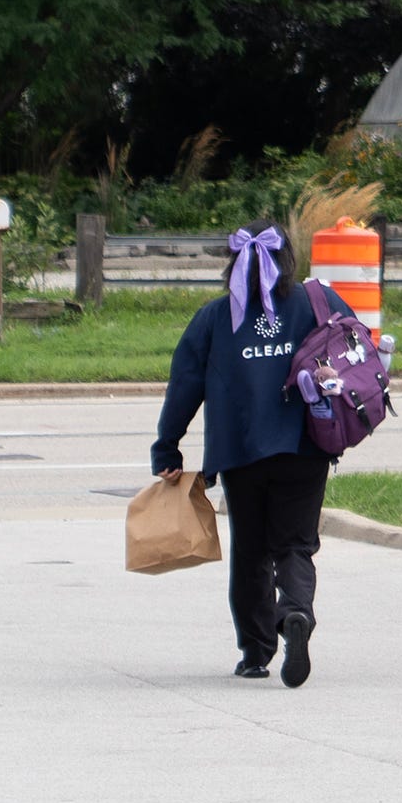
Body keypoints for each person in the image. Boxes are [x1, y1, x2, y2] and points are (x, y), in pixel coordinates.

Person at [152, 225, 333, 686]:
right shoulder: (318, 304)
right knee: (295, 543)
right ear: (288, 259)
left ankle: (255, 652)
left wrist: (167, 445)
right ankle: (296, 612)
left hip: (239, 451)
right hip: (304, 445)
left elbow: (184, 385)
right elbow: (358, 352)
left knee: (250, 549)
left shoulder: (214, 318)